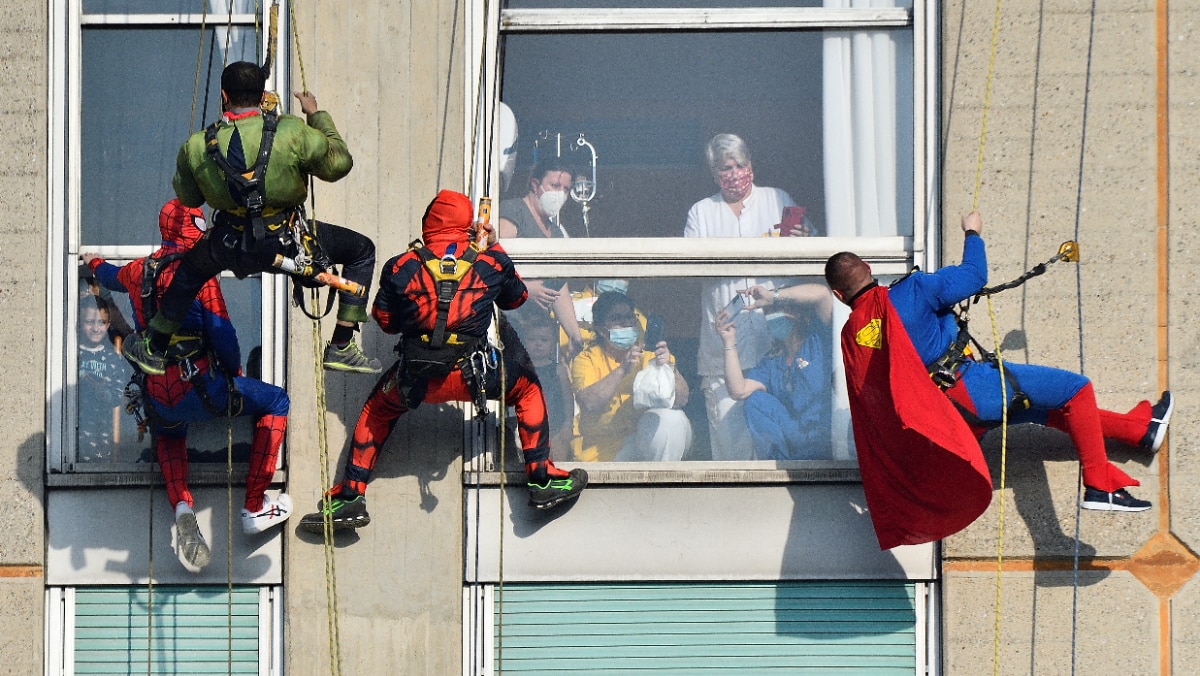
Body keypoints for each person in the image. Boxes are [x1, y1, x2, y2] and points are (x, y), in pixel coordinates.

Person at [825, 211, 1173, 513]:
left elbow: (874, 400)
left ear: (839, 296)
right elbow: (974, 275)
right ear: (869, 269)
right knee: (1075, 390)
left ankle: (1141, 430)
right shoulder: (912, 290)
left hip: (946, 422)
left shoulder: (851, 337)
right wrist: (972, 231)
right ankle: (1100, 485)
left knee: (1050, 412)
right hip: (972, 389)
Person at [298, 190, 587, 532]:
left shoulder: (401, 265)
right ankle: (542, 478)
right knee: (526, 390)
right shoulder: (490, 260)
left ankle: (351, 495)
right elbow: (517, 299)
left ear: (428, 224)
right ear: (468, 224)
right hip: (476, 373)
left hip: (416, 374)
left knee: (377, 410)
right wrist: (492, 247)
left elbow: (386, 322)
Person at [122, 61, 380, 378]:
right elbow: (340, 164)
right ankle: (342, 343)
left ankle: (154, 347)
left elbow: (189, 199)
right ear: (262, 97)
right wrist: (316, 116)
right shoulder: (292, 131)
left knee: (189, 273)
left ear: (223, 95)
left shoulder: (198, 145)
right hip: (287, 243)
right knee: (361, 250)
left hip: (229, 243)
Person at [83, 199, 293, 571]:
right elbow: (222, 333)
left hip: (159, 393)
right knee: (276, 401)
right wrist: (233, 374)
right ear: (192, 228)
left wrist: (92, 263)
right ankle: (255, 505)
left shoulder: (137, 270)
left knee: (169, 435)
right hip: (204, 387)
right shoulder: (200, 275)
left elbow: (109, 275)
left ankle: (182, 505)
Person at [684, 133, 814, 460]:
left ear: (751, 166)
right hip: (724, 351)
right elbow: (689, 267)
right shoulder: (701, 212)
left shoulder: (777, 199)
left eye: (740, 165)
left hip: (777, 349)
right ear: (714, 173)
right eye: (726, 168)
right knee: (732, 454)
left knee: (776, 449)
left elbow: (813, 255)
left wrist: (805, 238)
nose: (734, 172)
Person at [570, 291, 692, 462]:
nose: (625, 322)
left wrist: (670, 367)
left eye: (629, 317)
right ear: (600, 328)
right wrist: (622, 370)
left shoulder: (651, 353)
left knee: (672, 419)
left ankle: (663, 484)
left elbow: (681, 399)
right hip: (605, 451)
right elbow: (589, 403)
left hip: (650, 441)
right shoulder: (586, 359)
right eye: (617, 318)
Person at [716, 283, 833, 460]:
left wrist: (773, 296)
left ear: (797, 313)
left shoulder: (818, 338)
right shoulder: (773, 360)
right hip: (795, 437)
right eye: (768, 312)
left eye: (776, 310)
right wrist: (728, 341)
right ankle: (777, 468)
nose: (772, 317)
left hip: (823, 438)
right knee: (755, 401)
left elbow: (822, 294)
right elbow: (738, 390)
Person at [497, 158, 585, 355]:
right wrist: (526, 288)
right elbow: (495, 264)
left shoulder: (556, 232)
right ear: (535, 185)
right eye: (554, 185)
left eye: (565, 189)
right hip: (507, 325)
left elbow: (558, 287)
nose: (560, 193)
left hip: (535, 338)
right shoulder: (513, 211)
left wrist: (573, 334)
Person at [509, 311, 576, 461]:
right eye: (532, 339)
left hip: (556, 426)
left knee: (557, 462)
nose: (538, 344)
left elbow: (567, 398)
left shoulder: (558, 370)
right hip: (526, 427)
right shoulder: (521, 370)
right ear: (525, 342)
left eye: (544, 340)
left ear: (553, 345)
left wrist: (568, 424)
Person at [76, 300, 131, 463]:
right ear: (80, 323)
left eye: (101, 322)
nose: (95, 328)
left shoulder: (112, 358)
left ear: (108, 325)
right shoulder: (73, 354)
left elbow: (116, 397)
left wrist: (103, 392)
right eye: (89, 322)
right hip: (75, 430)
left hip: (101, 433)